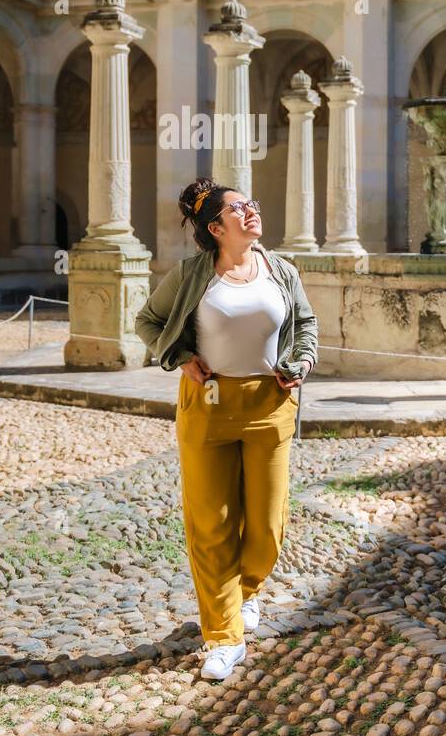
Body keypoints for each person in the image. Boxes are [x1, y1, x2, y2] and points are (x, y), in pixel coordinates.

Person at [135, 178, 318, 682]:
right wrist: (179, 357)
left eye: (252, 204)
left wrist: (301, 359)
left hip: (271, 405)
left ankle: (248, 590)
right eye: (240, 209)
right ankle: (223, 636)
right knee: (211, 523)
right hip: (208, 406)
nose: (252, 212)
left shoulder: (281, 269)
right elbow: (148, 321)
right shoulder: (191, 274)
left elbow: (305, 324)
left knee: (266, 524)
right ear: (216, 228)